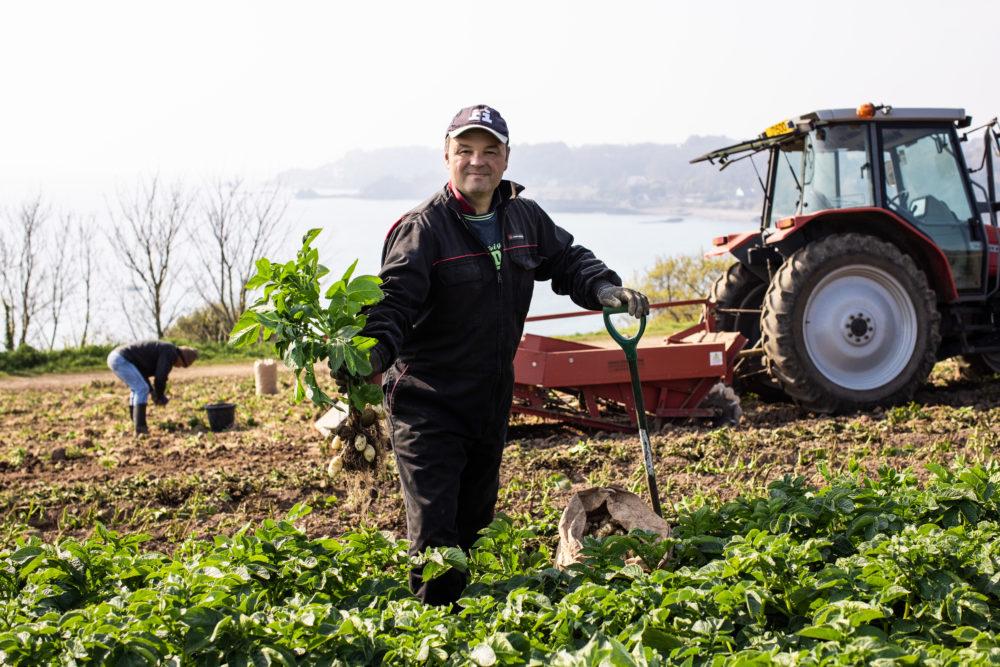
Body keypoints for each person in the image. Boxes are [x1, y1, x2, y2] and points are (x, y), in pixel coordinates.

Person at [360, 104, 649, 606]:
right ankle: (433, 631)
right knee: (436, 537)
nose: (478, 161)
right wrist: (369, 354)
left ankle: (464, 624)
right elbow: (392, 305)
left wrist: (602, 286)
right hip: (427, 404)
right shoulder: (422, 230)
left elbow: (566, 258)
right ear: (446, 156)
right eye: (465, 150)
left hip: (489, 400)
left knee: (474, 524)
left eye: (490, 151)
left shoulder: (523, 217)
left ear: (506, 159)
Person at [106, 341, 198, 435]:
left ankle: (135, 422)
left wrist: (153, 392)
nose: (179, 367)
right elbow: (160, 377)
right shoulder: (170, 352)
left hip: (116, 357)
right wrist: (160, 395)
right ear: (182, 358)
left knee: (138, 388)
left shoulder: (165, 350)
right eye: (182, 365)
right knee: (141, 389)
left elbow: (142, 374)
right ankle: (140, 428)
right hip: (121, 358)